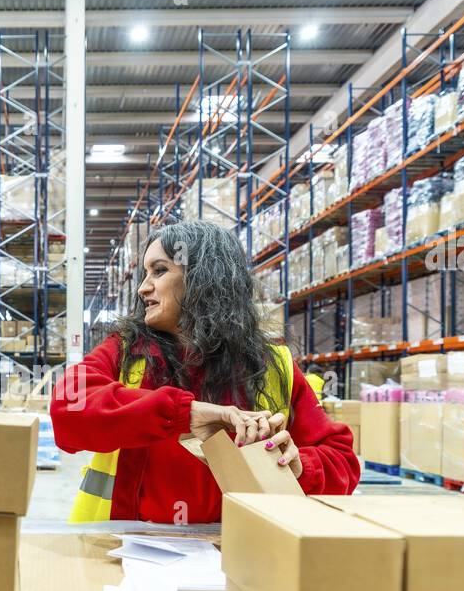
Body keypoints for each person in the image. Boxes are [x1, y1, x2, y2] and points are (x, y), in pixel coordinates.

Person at [51, 219, 359, 524]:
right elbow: (67, 406)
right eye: (146, 273)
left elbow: (343, 463)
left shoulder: (273, 364)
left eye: (159, 271)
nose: (143, 288)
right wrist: (182, 413)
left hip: (239, 553)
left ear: (204, 278)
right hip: (129, 552)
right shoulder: (125, 350)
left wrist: (298, 464)